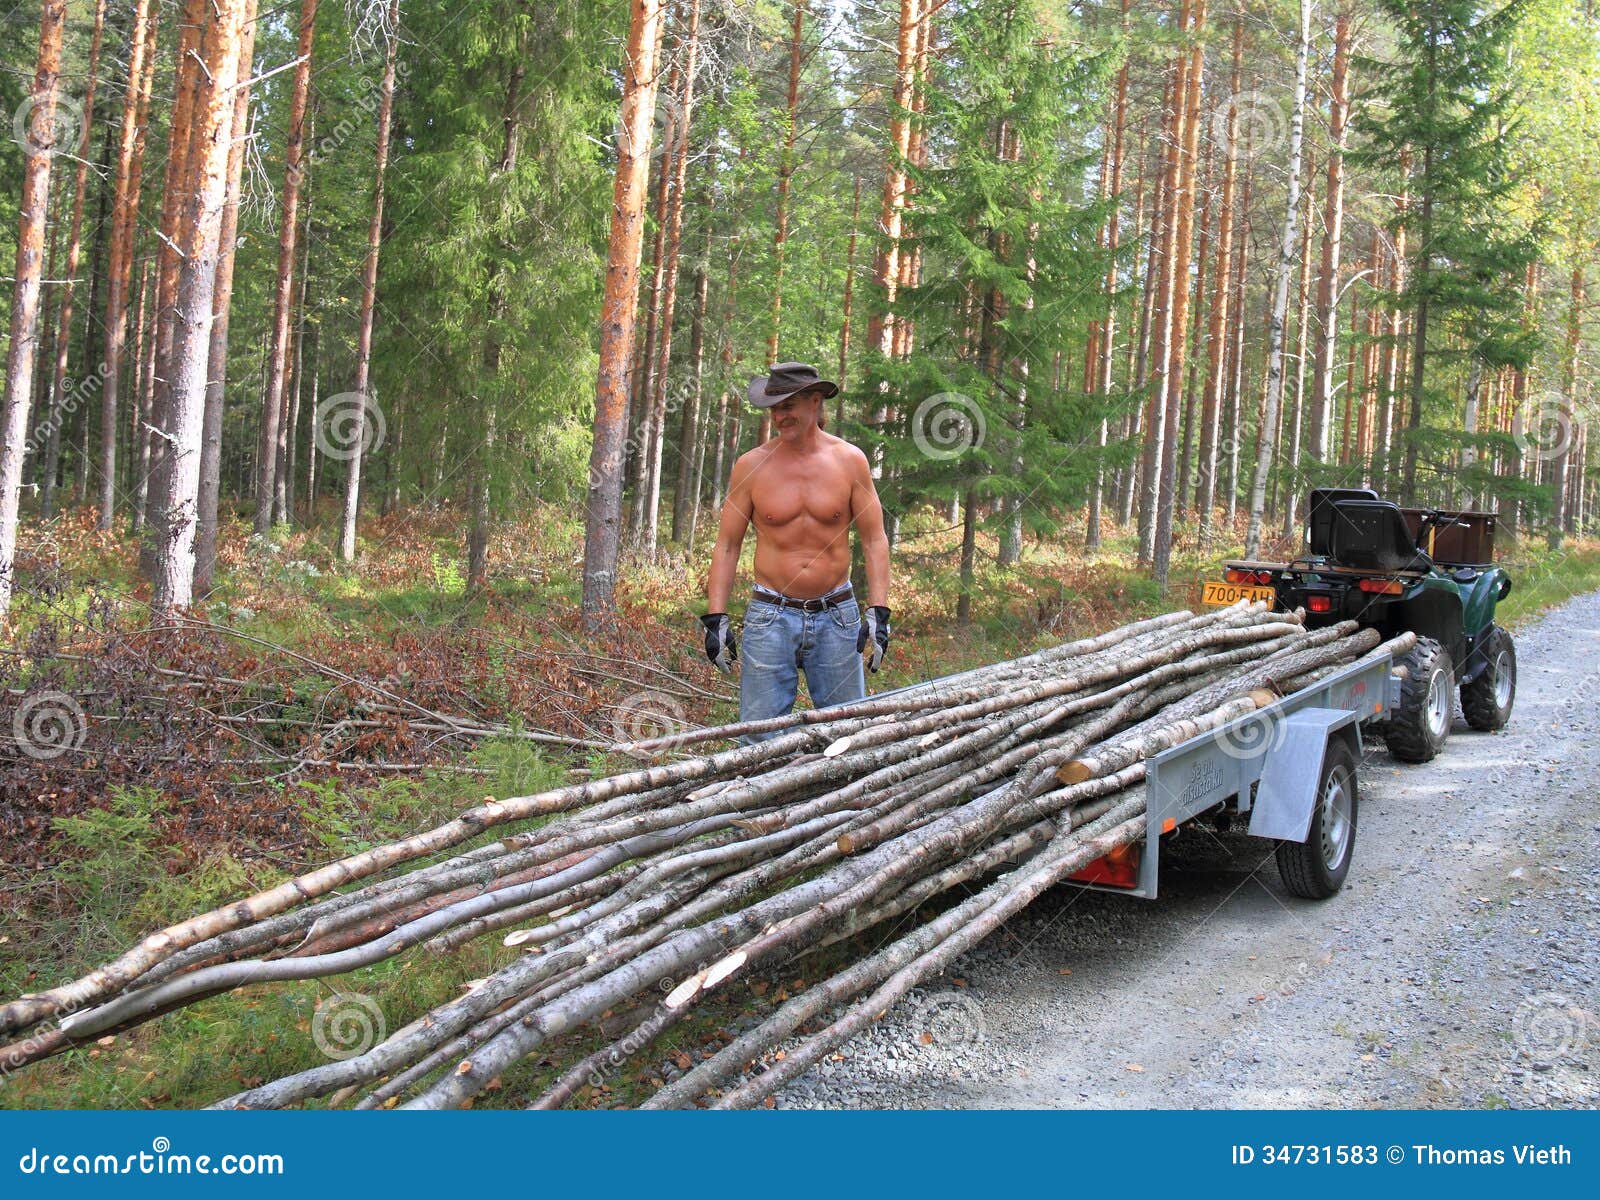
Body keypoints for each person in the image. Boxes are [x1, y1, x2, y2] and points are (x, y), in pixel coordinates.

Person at [700, 363, 891, 738]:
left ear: (815, 402)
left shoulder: (850, 461)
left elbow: (874, 539)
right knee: (759, 739)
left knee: (848, 735)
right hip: (770, 617)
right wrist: (716, 618)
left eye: (788, 406)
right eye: (774, 408)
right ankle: (761, 795)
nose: (780, 416)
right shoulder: (751, 466)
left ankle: (845, 798)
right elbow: (727, 545)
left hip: (838, 616)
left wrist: (879, 612)